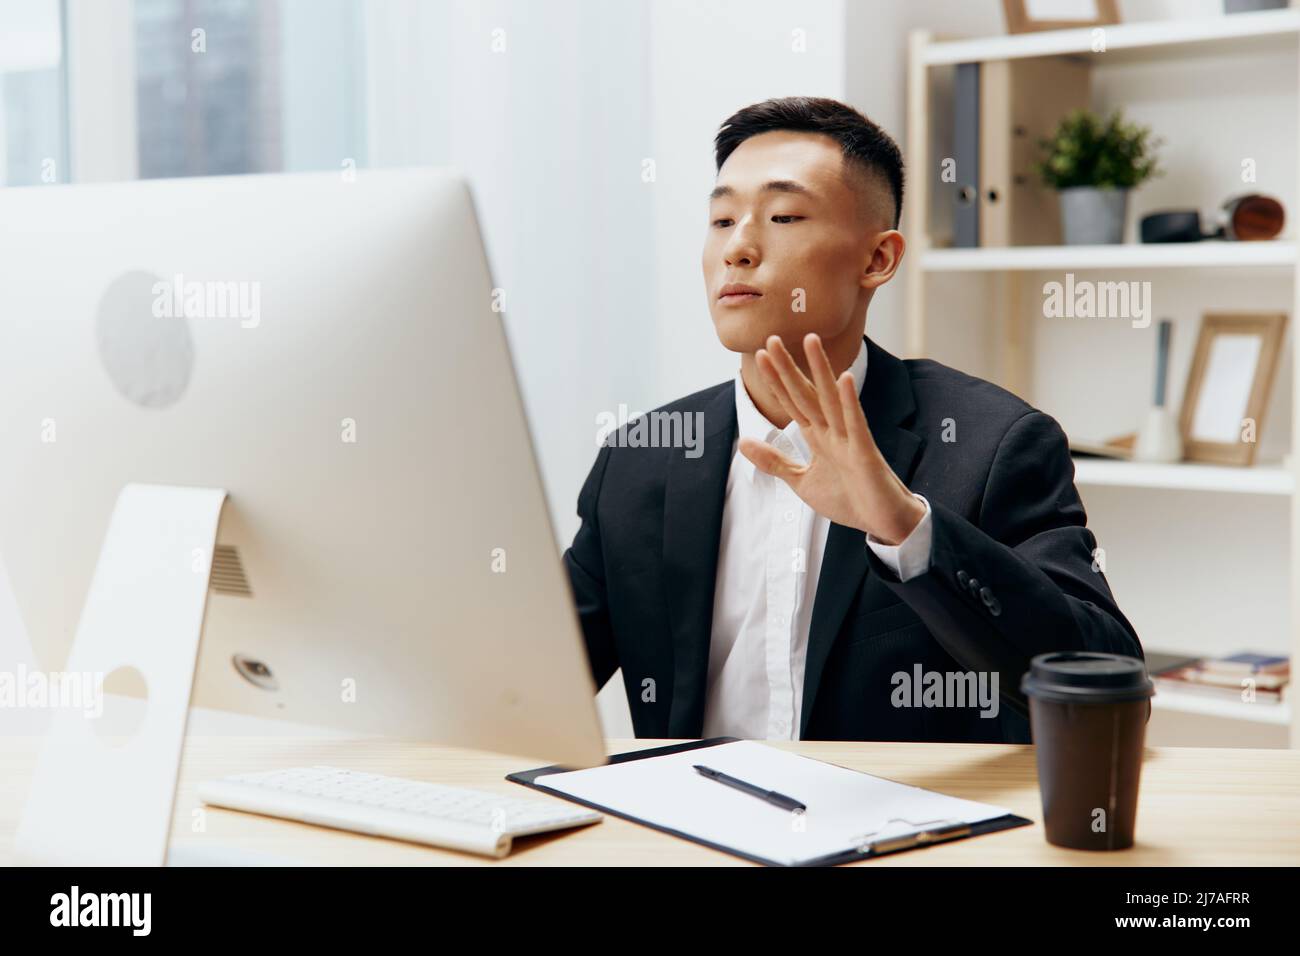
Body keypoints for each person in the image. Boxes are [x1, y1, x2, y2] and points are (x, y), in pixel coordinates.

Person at [563, 96, 1141, 743]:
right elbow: (528, 683)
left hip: (900, 838)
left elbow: (1106, 686)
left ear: (878, 260)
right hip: (689, 833)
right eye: (721, 219)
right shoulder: (640, 458)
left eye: (782, 215)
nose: (739, 248)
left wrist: (905, 527)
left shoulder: (993, 444)